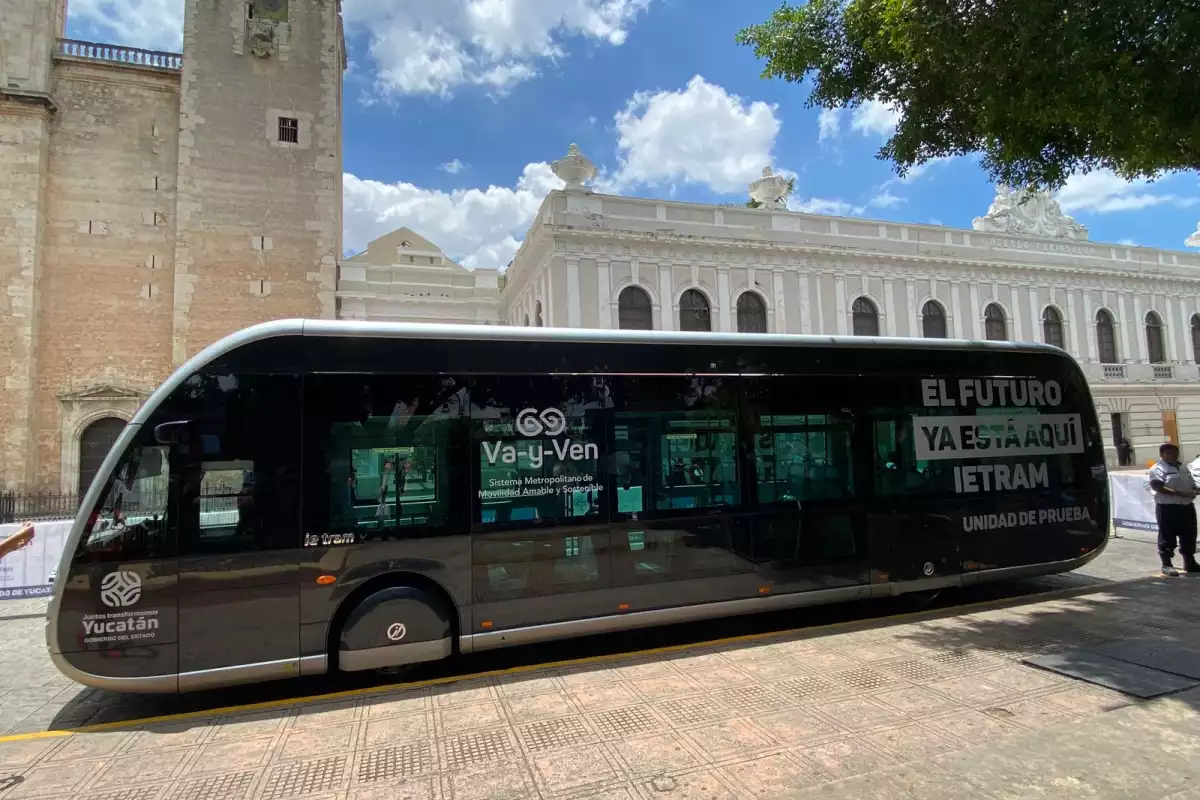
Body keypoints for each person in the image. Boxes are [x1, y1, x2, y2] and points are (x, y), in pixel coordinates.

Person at [1148, 442, 1199, 576]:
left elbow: (1191, 483)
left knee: (1189, 535)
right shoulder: (1157, 468)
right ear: (1162, 455)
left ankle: (1190, 562)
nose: (1172, 456)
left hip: (1186, 506)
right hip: (1167, 508)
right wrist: (1181, 494)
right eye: (1168, 453)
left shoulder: (1182, 467)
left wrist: (1195, 489)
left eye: (1174, 453)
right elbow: (1157, 486)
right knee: (1167, 536)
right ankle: (1166, 564)